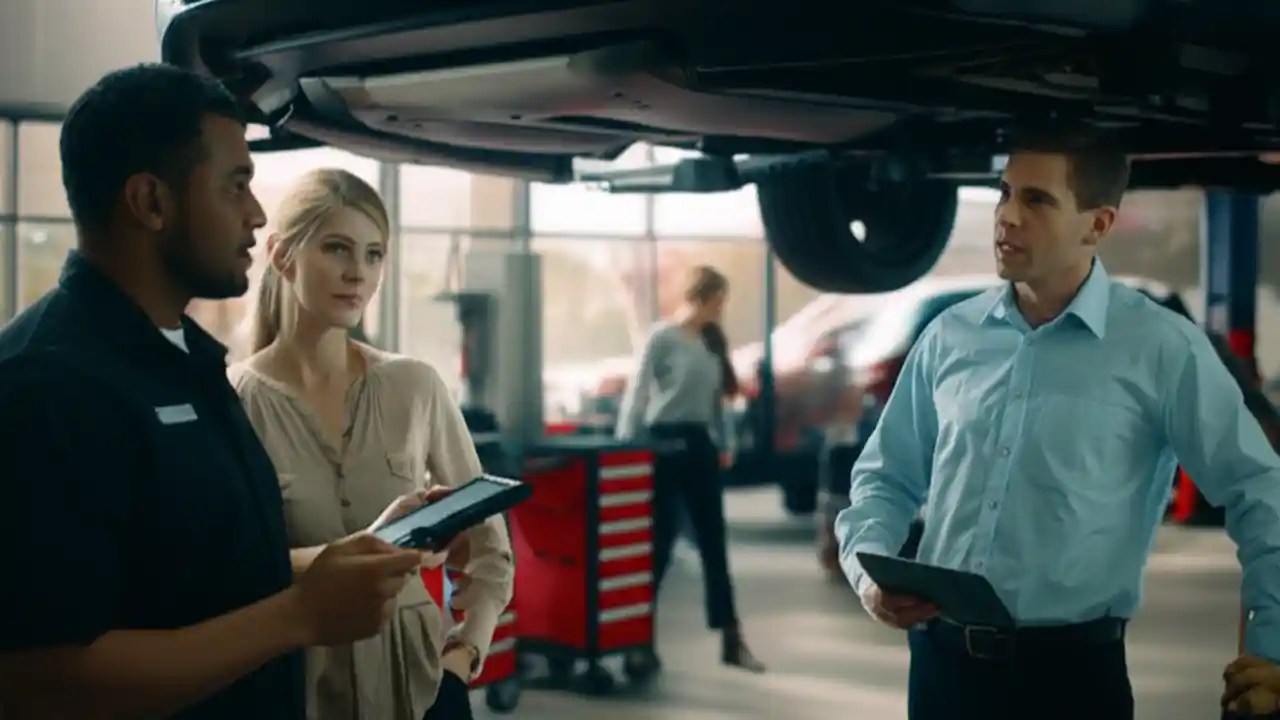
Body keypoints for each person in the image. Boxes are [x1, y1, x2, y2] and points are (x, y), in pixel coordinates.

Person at [0, 64, 429, 719]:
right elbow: (42, 676)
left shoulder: (188, 362)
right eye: (236, 187)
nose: (258, 215)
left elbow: (195, 570)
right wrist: (297, 618)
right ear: (151, 203)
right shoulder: (46, 387)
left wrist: (340, 559)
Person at [834, 122, 1280, 720]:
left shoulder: (1160, 348)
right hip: (942, 673)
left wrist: (1270, 647)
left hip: (1069, 683)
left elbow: (1260, 491)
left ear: (1097, 224)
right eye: (1003, 192)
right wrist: (869, 573)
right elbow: (884, 477)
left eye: (1036, 200)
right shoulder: (950, 336)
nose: (1007, 217)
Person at [228, 167, 515, 720]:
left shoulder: (414, 386)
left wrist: (463, 658)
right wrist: (368, 545)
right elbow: (231, 568)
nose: (357, 273)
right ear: (283, 255)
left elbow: (490, 548)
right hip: (293, 693)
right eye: (337, 249)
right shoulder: (234, 402)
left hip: (423, 691)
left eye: (374, 254)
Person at [615, 265, 764, 676]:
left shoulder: (712, 342)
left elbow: (719, 402)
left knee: (714, 543)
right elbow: (638, 390)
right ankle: (637, 641)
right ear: (698, 297)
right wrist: (627, 445)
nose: (721, 308)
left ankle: (732, 639)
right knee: (660, 546)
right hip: (664, 444)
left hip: (699, 445)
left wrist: (726, 442)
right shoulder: (663, 336)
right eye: (717, 300)